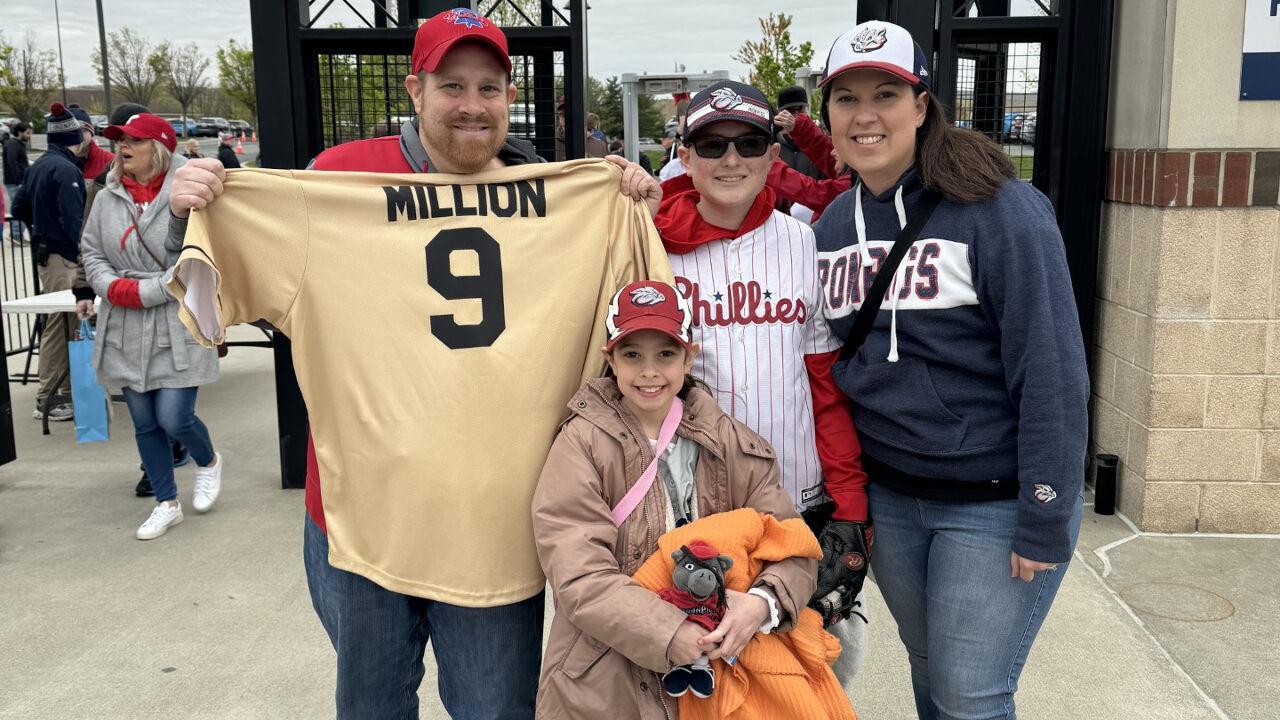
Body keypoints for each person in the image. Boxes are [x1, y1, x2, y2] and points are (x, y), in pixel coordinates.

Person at [166, 9, 662, 718]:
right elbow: (213, 294)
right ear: (414, 89)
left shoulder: (566, 193)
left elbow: (645, 313)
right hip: (361, 515)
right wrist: (187, 212)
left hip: (499, 526)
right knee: (373, 708)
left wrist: (634, 202)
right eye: (452, 85)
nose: (472, 104)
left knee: (497, 711)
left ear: (509, 96)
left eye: (489, 88)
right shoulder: (333, 183)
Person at [812, 21, 1088, 720]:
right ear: (828, 115)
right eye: (846, 98)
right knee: (933, 673)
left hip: (990, 501)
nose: (865, 115)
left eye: (885, 94)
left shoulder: (998, 207)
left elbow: (1051, 367)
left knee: (971, 692)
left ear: (922, 104)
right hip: (894, 502)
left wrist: (1045, 513)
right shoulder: (830, 229)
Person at [653, 80, 871, 683]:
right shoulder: (650, 249)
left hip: (796, 498)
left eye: (748, 143)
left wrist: (849, 503)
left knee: (802, 673)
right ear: (684, 153)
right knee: (698, 681)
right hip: (689, 504)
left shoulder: (804, 243)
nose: (730, 160)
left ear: (774, 156)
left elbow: (824, 388)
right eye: (711, 144)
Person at [531, 280, 820, 719]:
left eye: (665, 354)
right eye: (632, 355)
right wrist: (669, 632)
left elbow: (794, 547)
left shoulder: (730, 443)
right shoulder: (581, 445)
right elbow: (579, 576)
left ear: (689, 356)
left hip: (721, 670)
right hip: (604, 678)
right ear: (610, 359)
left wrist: (761, 604)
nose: (649, 372)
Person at [79, 112, 222, 540]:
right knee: (143, 421)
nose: (122, 147)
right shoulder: (106, 197)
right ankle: (166, 501)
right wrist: (111, 287)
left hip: (176, 317)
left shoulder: (190, 192)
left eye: (133, 141)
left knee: (175, 417)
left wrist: (154, 290)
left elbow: (191, 252)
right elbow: (91, 252)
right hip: (123, 320)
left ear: (158, 149)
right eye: (119, 140)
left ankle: (209, 460)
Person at [10, 103, 93, 422]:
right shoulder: (67, 170)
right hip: (64, 259)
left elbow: (18, 207)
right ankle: (50, 397)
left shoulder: (40, 165)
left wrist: (40, 228)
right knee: (61, 325)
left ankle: (64, 393)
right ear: (76, 136)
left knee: (65, 324)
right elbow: (75, 222)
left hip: (49, 256)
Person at [774, 86, 824, 181]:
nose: (796, 115)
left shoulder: (818, 141)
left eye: (800, 109)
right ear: (779, 111)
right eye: (790, 110)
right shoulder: (772, 142)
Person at [3, 120, 32, 243]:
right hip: (15, 183)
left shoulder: (16, 144)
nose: (29, 136)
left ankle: (17, 233)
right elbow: (13, 164)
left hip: (17, 182)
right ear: (20, 132)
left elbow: (19, 163)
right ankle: (16, 234)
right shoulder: (14, 145)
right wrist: (20, 181)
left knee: (21, 207)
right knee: (20, 208)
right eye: (27, 133)